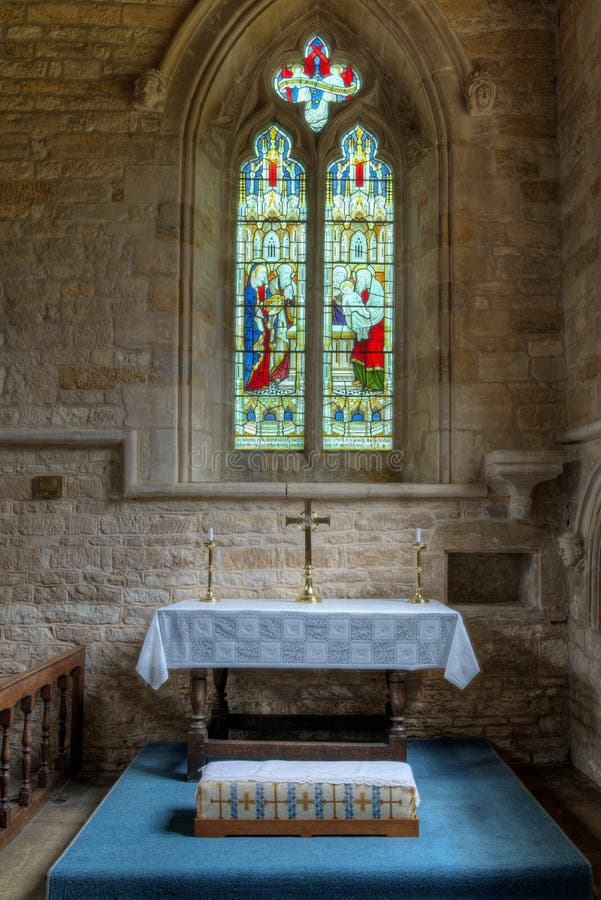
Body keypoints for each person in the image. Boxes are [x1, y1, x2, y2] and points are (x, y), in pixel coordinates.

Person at [348, 267, 385, 391]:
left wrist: (365, 314)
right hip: (363, 327)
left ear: (366, 278)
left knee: (373, 352)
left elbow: (377, 308)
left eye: (360, 278)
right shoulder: (361, 291)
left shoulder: (376, 288)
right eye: (357, 278)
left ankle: (374, 384)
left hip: (376, 326)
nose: (358, 281)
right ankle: (362, 378)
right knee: (359, 350)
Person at [243, 263, 271, 390]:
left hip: (257, 327)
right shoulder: (249, 291)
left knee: (262, 350)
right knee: (252, 353)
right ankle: (249, 382)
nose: (264, 276)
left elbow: (259, 309)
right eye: (262, 273)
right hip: (250, 330)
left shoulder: (256, 291)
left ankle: (258, 382)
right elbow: (250, 310)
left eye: (265, 273)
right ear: (254, 274)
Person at [269, 263, 296, 382]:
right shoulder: (271, 285)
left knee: (288, 345)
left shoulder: (293, 286)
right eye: (284, 272)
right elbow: (268, 302)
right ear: (278, 273)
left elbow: (297, 302)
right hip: (275, 320)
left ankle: (284, 373)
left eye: (289, 273)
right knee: (278, 345)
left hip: (289, 320)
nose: (287, 275)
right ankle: (275, 373)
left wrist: (290, 299)